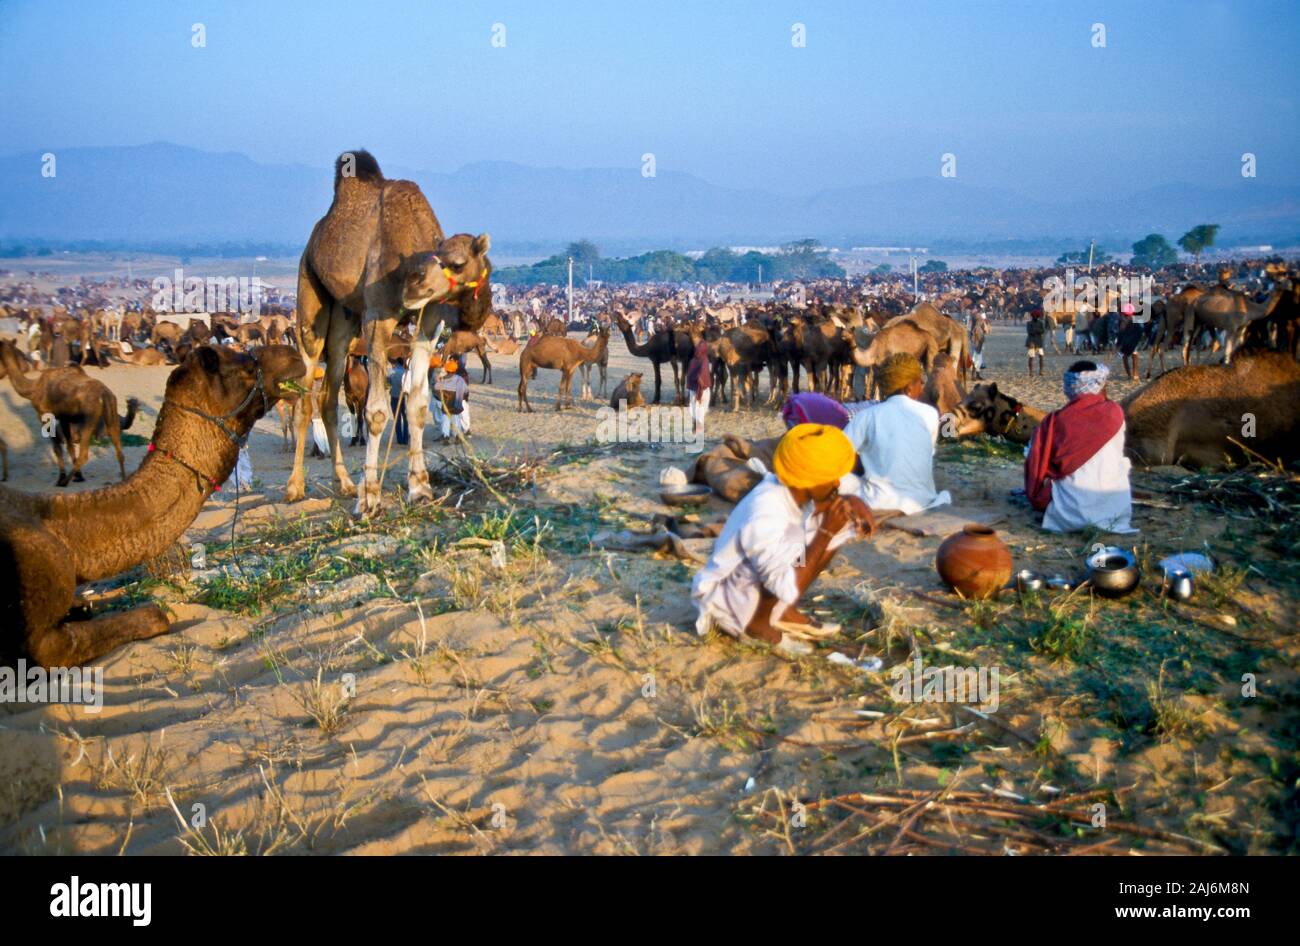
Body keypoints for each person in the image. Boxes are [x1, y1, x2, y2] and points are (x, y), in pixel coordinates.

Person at [692, 424, 875, 655]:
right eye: (831, 479)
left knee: (839, 523)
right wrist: (825, 532)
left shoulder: (791, 489)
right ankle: (757, 627)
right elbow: (783, 583)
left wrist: (850, 501)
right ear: (809, 480)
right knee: (824, 530)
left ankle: (783, 611)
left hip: (761, 579)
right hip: (727, 602)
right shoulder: (765, 514)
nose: (837, 484)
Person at [1024, 361, 1137, 534]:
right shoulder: (1115, 412)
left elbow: (1041, 465)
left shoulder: (1056, 421)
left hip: (1069, 516)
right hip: (1114, 513)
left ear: (1069, 388)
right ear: (1099, 385)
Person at [842, 353, 951, 517]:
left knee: (840, 479)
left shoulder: (867, 415)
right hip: (922, 501)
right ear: (908, 387)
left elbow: (837, 453)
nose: (922, 384)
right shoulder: (930, 414)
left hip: (878, 502)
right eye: (919, 380)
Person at [431, 358, 470, 441]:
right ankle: (457, 436)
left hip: (446, 403)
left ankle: (446, 436)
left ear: (446, 370)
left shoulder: (443, 379)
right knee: (456, 420)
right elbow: (466, 390)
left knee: (446, 419)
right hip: (456, 403)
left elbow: (436, 387)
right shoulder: (459, 379)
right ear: (455, 370)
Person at [685, 339, 711, 433]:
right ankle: (699, 428)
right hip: (702, 389)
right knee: (701, 408)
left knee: (693, 407)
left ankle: (694, 426)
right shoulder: (705, 360)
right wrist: (700, 392)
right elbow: (702, 376)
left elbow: (689, 375)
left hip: (692, 389)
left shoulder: (692, 361)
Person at [1116, 303, 1144, 379]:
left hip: (1130, 341)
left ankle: (1132, 374)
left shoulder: (1131, 321)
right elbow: (1120, 332)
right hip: (1127, 341)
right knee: (1131, 356)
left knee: (1130, 356)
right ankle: (1132, 374)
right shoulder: (1123, 321)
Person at [388, 356, 409, 446]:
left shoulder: (391, 371)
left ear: (396, 363)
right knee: (406, 419)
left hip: (394, 397)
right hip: (405, 398)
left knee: (397, 419)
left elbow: (387, 383)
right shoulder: (406, 372)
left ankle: (399, 439)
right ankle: (406, 439)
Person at [1025, 308, 1047, 375]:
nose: (1035, 317)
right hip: (1032, 342)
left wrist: (1035, 329)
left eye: (1036, 316)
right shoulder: (1030, 323)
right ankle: (1031, 372)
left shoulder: (1038, 323)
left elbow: (1042, 331)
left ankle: (1040, 371)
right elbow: (1030, 332)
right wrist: (1037, 330)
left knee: (1041, 357)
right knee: (1032, 357)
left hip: (1037, 341)